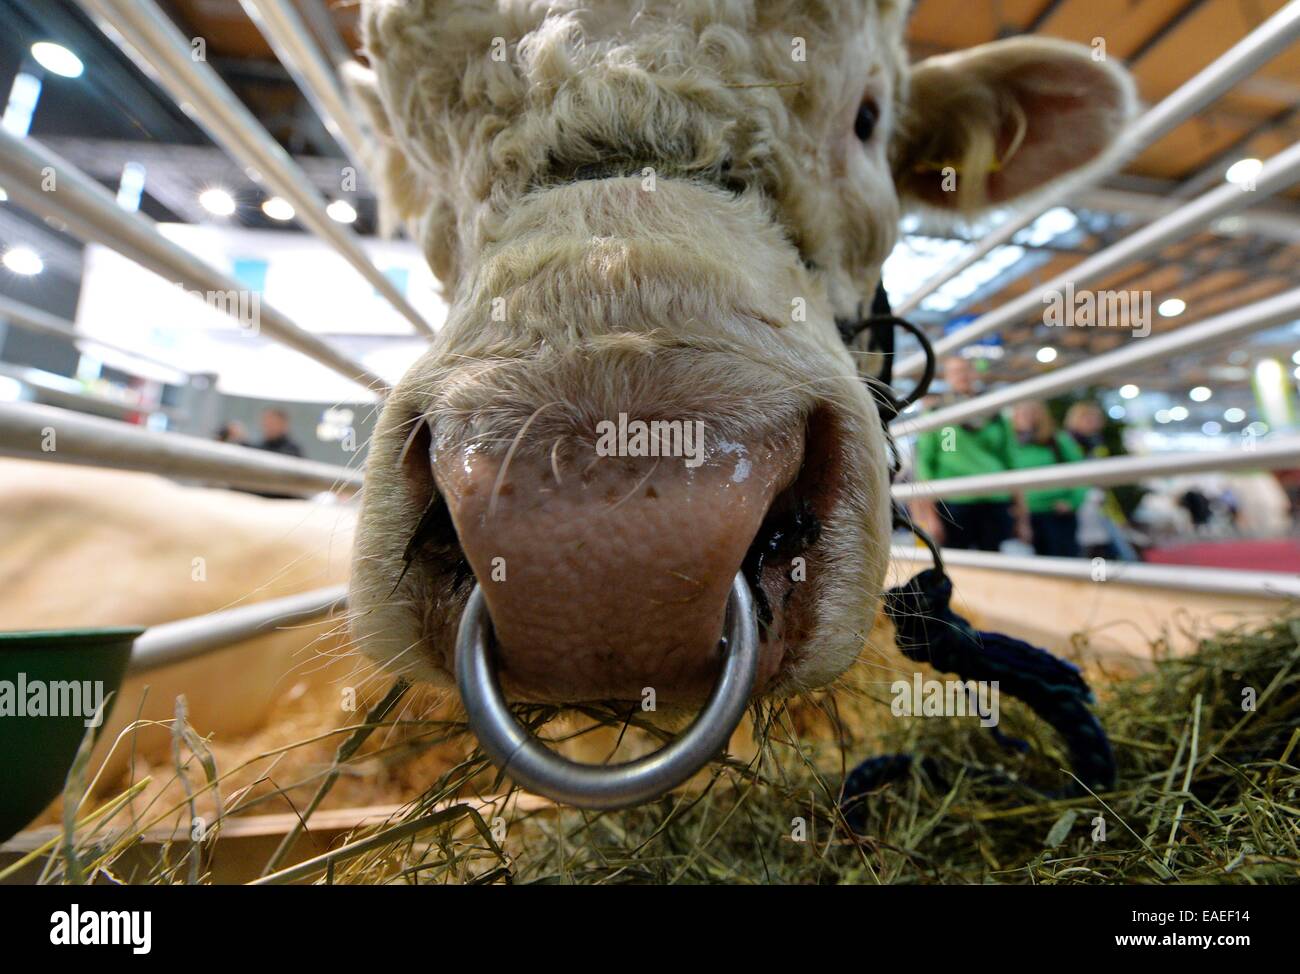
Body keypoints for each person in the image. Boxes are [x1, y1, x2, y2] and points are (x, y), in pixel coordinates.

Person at [912, 356, 1016, 551]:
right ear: (947, 377)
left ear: (975, 373)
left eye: (966, 370)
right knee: (956, 562)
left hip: (995, 498)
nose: (962, 376)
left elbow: (1011, 460)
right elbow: (925, 464)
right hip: (954, 500)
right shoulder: (936, 413)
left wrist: (1021, 513)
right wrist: (930, 516)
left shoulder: (995, 413)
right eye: (955, 371)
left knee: (994, 561)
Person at [1008, 401, 1087, 557]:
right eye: (1021, 413)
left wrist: (1073, 502)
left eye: (1031, 412)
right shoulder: (1009, 444)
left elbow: (1082, 473)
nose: (1026, 417)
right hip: (1023, 516)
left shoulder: (1057, 440)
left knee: (1063, 562)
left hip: (1056, 513)